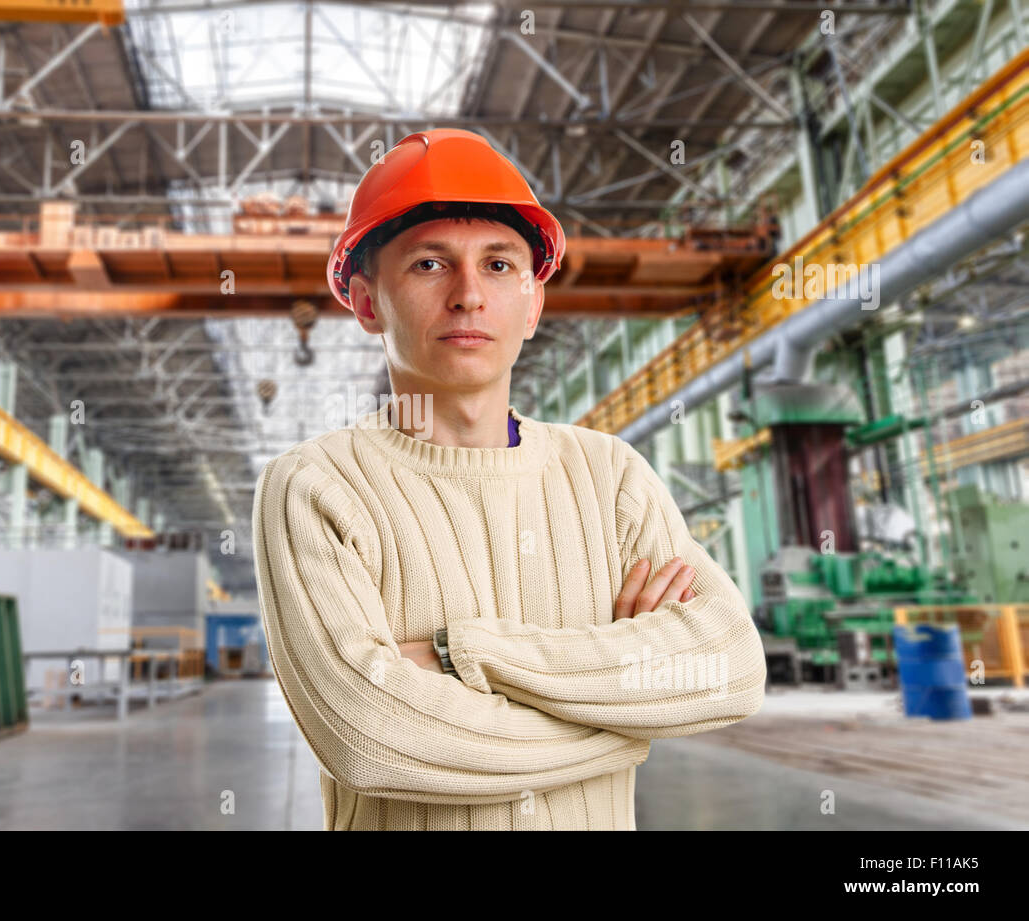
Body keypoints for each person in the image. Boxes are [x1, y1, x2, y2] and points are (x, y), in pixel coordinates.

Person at [252, 128, 766, 831]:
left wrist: (458, 653)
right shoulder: (316, 488)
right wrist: (622, 722)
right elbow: (368, 737)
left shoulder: (609, 476)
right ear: (368, 302)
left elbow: (726, 665)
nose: (469, 294)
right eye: (430, 264)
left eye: (499, 265)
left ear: (533, 304)